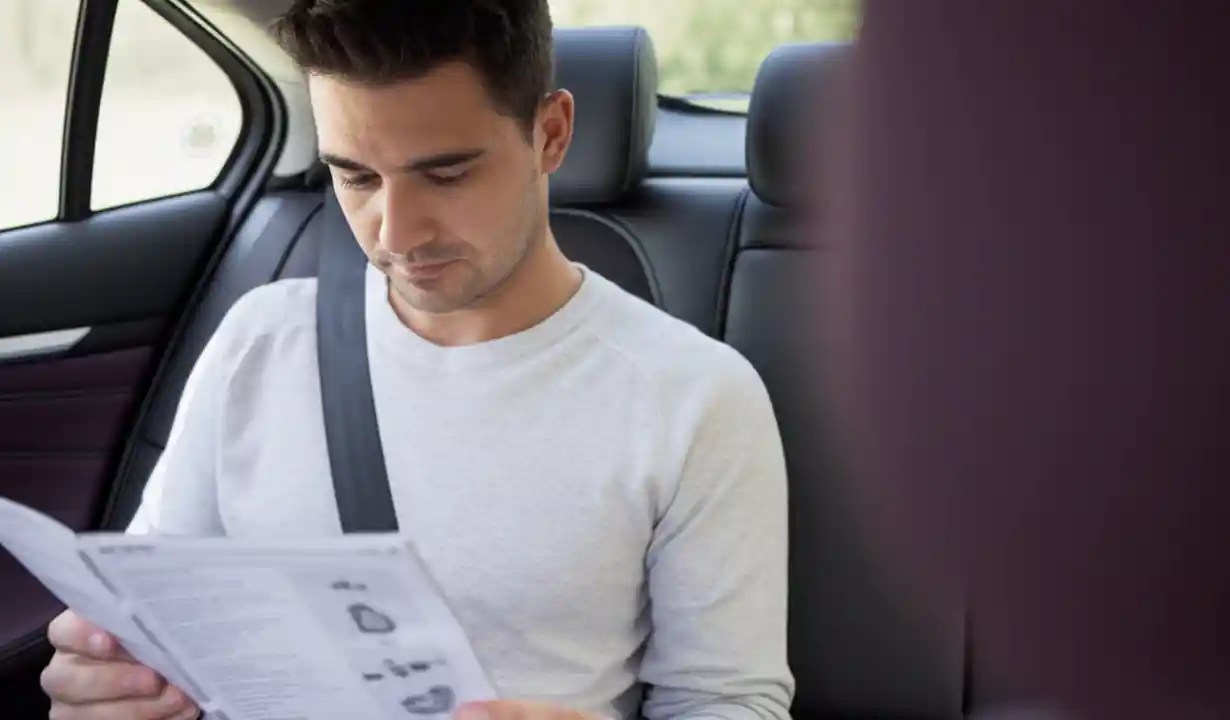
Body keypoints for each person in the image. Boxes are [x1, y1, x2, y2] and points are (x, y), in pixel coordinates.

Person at [37, 1, 792, 719]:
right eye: (357, 177)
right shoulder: (258, 342)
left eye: (446, 173)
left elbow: (728, 702)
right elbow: (155, 617)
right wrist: (112, 682)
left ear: (551, 134)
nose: (395, 233)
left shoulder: (695, 399)